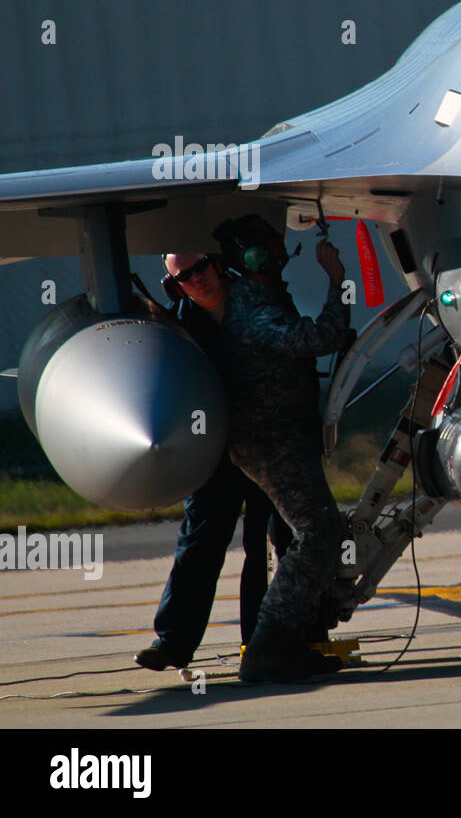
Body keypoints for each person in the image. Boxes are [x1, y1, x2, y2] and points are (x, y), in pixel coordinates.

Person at [212, 214, 353, 683]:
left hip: (280, 436)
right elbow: (316, 339)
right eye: (272, 247)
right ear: (253, 257)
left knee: (303, 535)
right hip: (271, 441)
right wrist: (337, 282)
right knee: (318, 533)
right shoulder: (254, 306)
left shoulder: (259, 298)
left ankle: (292, 642)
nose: (279, 256)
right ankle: (268, 645)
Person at [135, 252, 292, 672]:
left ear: (217, 264)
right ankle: (172, 642)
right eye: (183, 277)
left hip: (269, 447)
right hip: (216, 453)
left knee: (278, 542)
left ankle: (265, 641)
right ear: (174, 286)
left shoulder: (256, 302)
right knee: (200, 540)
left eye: (199, 268)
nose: (196, 280)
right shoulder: (178, 327)